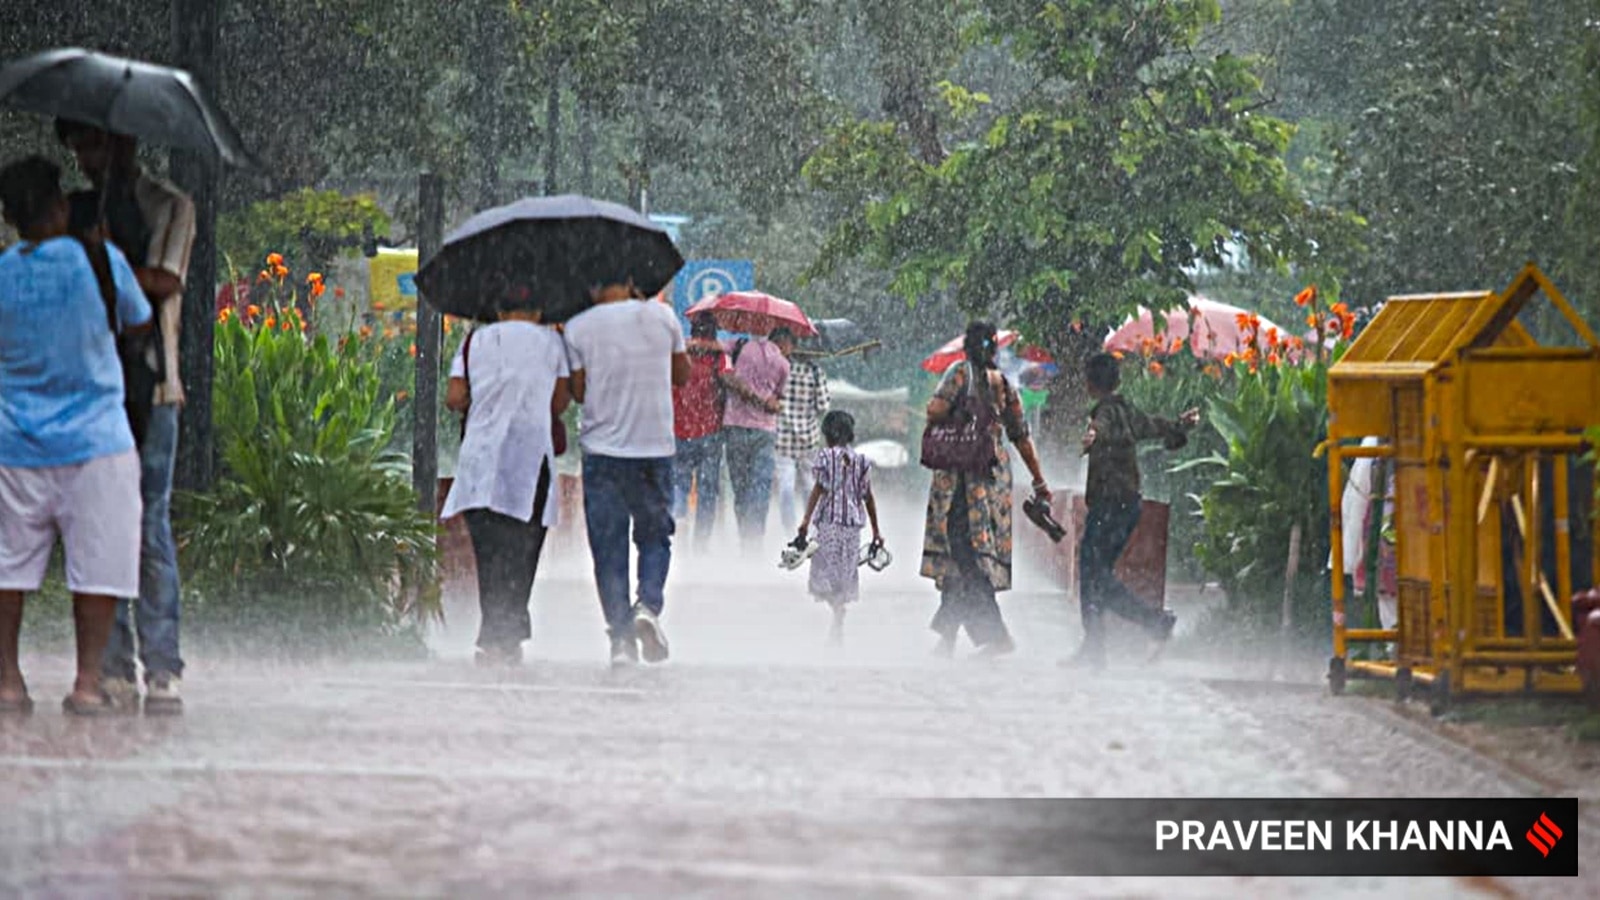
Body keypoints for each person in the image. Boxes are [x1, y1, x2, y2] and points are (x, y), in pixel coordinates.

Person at [0, 156, 152, 716]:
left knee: (6, 565)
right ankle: (88, 683)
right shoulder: (100, 261)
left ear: (10, 216)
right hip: (96, 442)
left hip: (12, 442)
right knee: (97, 564)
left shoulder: (2, 272)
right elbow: (137, 322)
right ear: (61, 206)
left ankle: (8, 681)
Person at [57, 120, 196, 714]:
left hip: (153, 385)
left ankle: (162, 665)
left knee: (150, 523)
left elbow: (165, 280)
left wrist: (102, 261)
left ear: (128, 142)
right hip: (90, 386)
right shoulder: (74, 210)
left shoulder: (170, 205)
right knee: (96, 524)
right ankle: (111, 665)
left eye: (100, 143)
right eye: (81, 145)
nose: (90, 157)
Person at [441, 289, 570, 666]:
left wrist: (488, 397)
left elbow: (454, 396)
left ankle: (495, 634)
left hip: (482, 461)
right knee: (523, 549)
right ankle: (508, 632)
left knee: (490, 550)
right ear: (539, 308)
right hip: (531, 461)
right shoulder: (552, 342)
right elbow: (560, 402)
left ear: (498, 306)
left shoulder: (474, 340)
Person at [563, 284, 689, 666]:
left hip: (603, 453)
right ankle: (647, 605)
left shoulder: (579, 326)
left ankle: (620, 641)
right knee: (654, 536)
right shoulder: (662, 316)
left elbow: (580, 392)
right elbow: (682, 374)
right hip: (653, 448)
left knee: (609, 548)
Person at [921, 321, 1051, 658]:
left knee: (964, 555)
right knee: (966, 555)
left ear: (966, 346)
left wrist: (948, 413)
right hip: (992, 479)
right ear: (994, 349)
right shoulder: (1003, 383)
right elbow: (1021, 435)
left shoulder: (958, 374)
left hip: (959, 481)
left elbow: (934, 410)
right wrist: (1039, 480)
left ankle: (995, 635)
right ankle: (947, 639)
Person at [1069, 352, 1197, 669]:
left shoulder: (1105, 415)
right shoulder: (1126, 410)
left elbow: (1103, 430)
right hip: (1128, 506)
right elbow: (1153, 426)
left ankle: (1151, 623)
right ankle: (1095, 647)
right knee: (1094, 575)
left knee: (1093, 575)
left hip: (1109, 506)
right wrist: (1180, 425)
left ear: (1089, 384)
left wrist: (1092, 438)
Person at [796, 411, 881, 647]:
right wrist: (876, 531)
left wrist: (805, 520)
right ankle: (839, 610)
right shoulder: (862, 461)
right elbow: (868, 497)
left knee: (823, 573)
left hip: (829, 524)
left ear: (827, 434)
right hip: (852, 528)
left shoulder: (825, 457)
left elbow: (818, 490)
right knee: (844, 573)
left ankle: (836, 608)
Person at [721, 326, 791, 554]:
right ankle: (755, 540)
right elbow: (778, 399)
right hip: (765, 430)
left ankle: (745, 537)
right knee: (760, 487)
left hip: (736, 426)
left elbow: (719, 361)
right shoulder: (783, 364)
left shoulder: (738, 346)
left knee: (740, 488)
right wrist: (766, 400)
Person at [670, 312, 732, 552]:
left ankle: (676, 534)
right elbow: (730, 383)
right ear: (713, 333)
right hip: (710, 432)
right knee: (707, 493)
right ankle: (700, 545)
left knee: (679, 486)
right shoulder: (720, 358)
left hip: (679, 430)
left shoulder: (677, 355)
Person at [776, 340, 830, 533]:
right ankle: (811, 524)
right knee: (809, 484)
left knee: (786, 486)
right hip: (808, 438)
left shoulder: (781, 367)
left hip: (783, 436)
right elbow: (824, 406)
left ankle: (789, 528)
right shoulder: (816, 373)